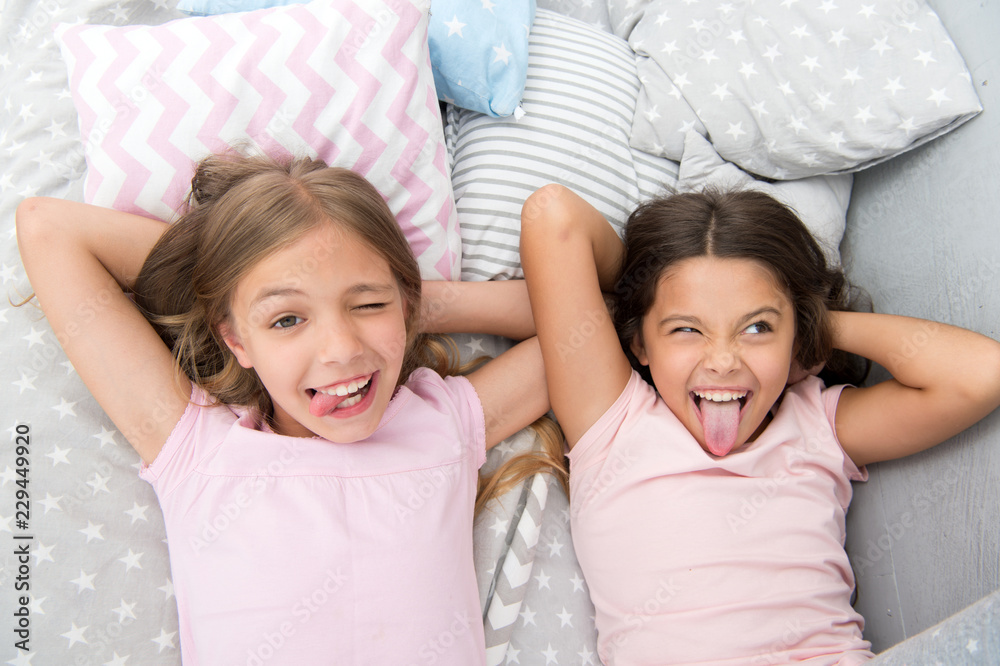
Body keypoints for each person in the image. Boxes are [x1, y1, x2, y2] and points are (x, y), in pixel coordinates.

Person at [15, 152, 562, 665]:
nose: (342, 349)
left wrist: (411, 302)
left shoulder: (444, 424)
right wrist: (241, 273)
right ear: (236, 342)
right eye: (286, 320)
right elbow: (48, 229)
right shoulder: (199, 450)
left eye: (368, 304)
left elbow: (590, 322)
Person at [519, 184, 1000, 665]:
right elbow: (553, 215)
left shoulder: (819, 424)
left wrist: (814, 328)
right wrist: (652, 276)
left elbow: (981, 376)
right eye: (686, 328)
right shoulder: (613, 422)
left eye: (757, 328)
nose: (723, 361)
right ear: (641, 344)